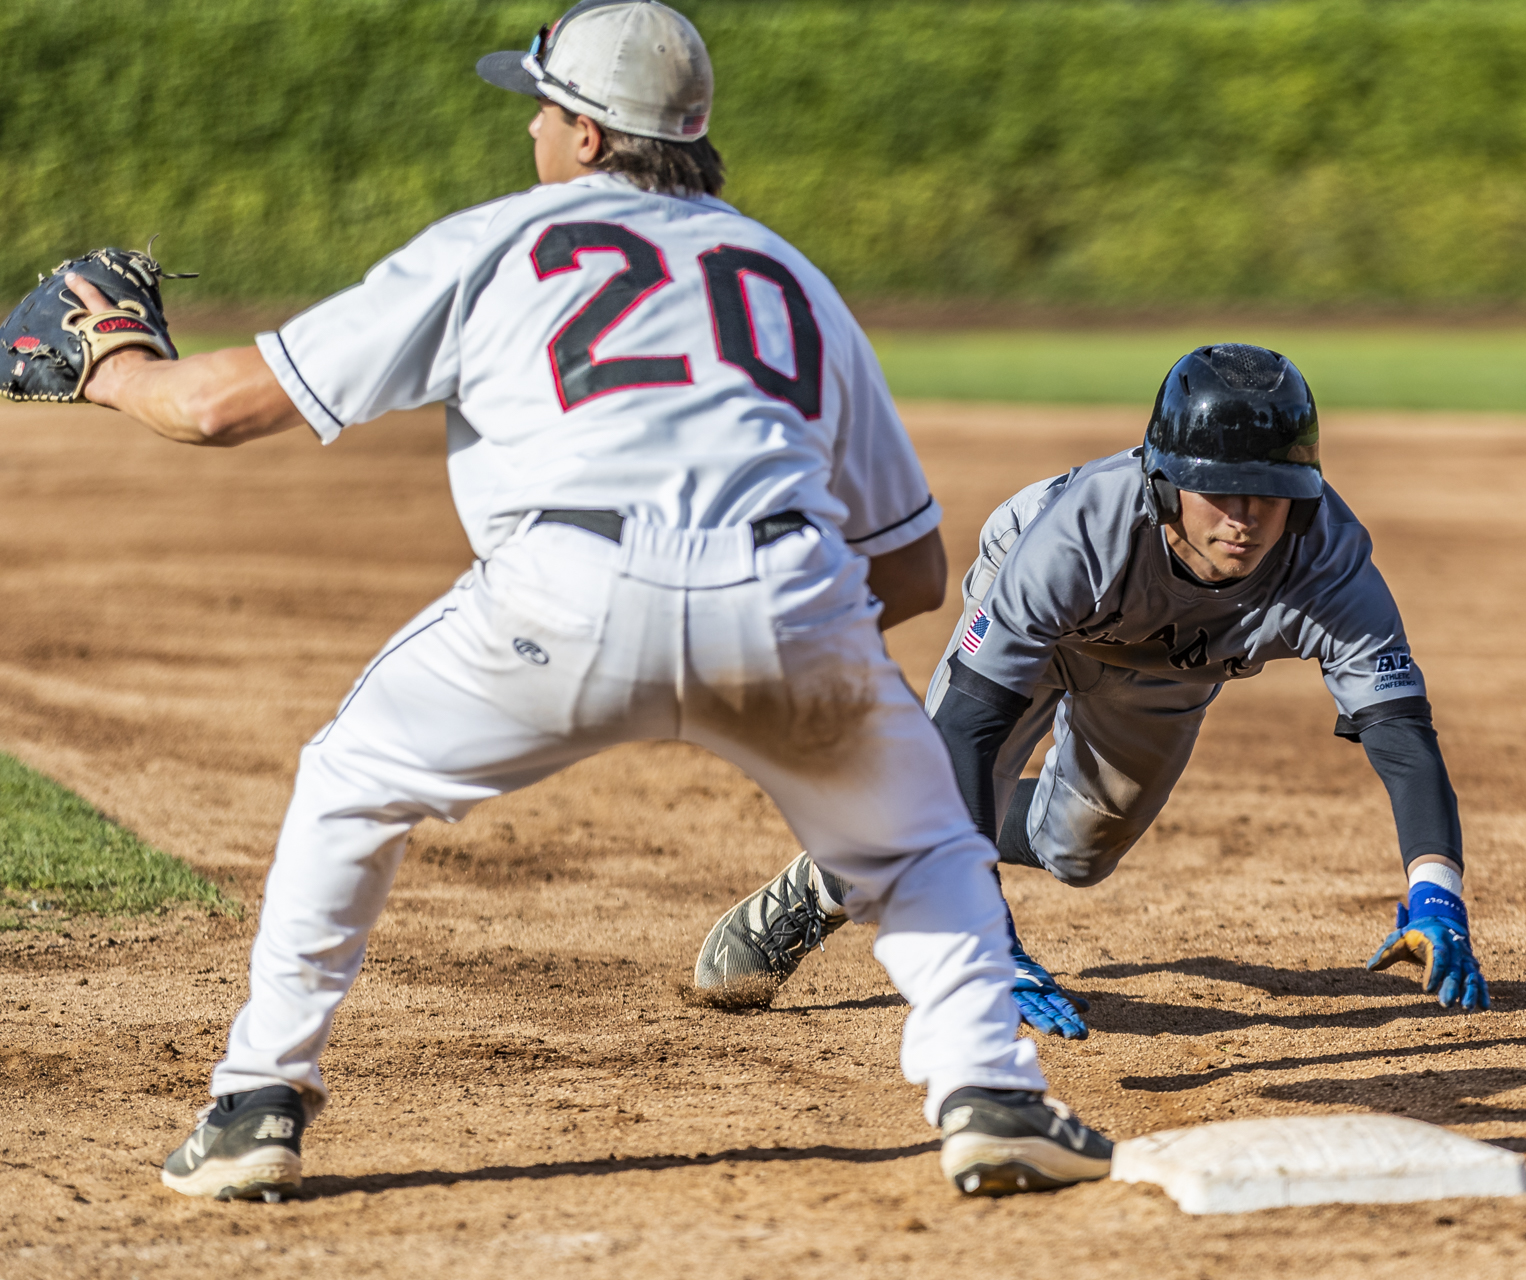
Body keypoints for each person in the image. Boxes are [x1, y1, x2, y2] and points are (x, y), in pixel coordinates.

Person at [63, 0, 1109, 1201]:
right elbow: (917, 572)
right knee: (923, 840)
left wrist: (115, 366)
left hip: (557, 592)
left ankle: (255, 1101)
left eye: (547, 109)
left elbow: (215, 408)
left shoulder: (499, 239)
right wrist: (773, 647)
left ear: (596, 137)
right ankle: (993, 1094)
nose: (535, 133)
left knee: (352, 782)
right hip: (791, 591)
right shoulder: (794, 277)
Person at [694, 343, 1491, 1038]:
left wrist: (1436, 892)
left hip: (1171, 665)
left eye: (1271, 490)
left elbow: (1399, 731)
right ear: (1167, 481)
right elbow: (970, 723)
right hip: (1052, 620)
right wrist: (981, 932)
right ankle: (841, 872)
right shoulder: (1078, 535)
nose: (1245, 516)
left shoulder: (1329, 562)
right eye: (1221, 488)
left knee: (1078, 852)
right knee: (938, 785)